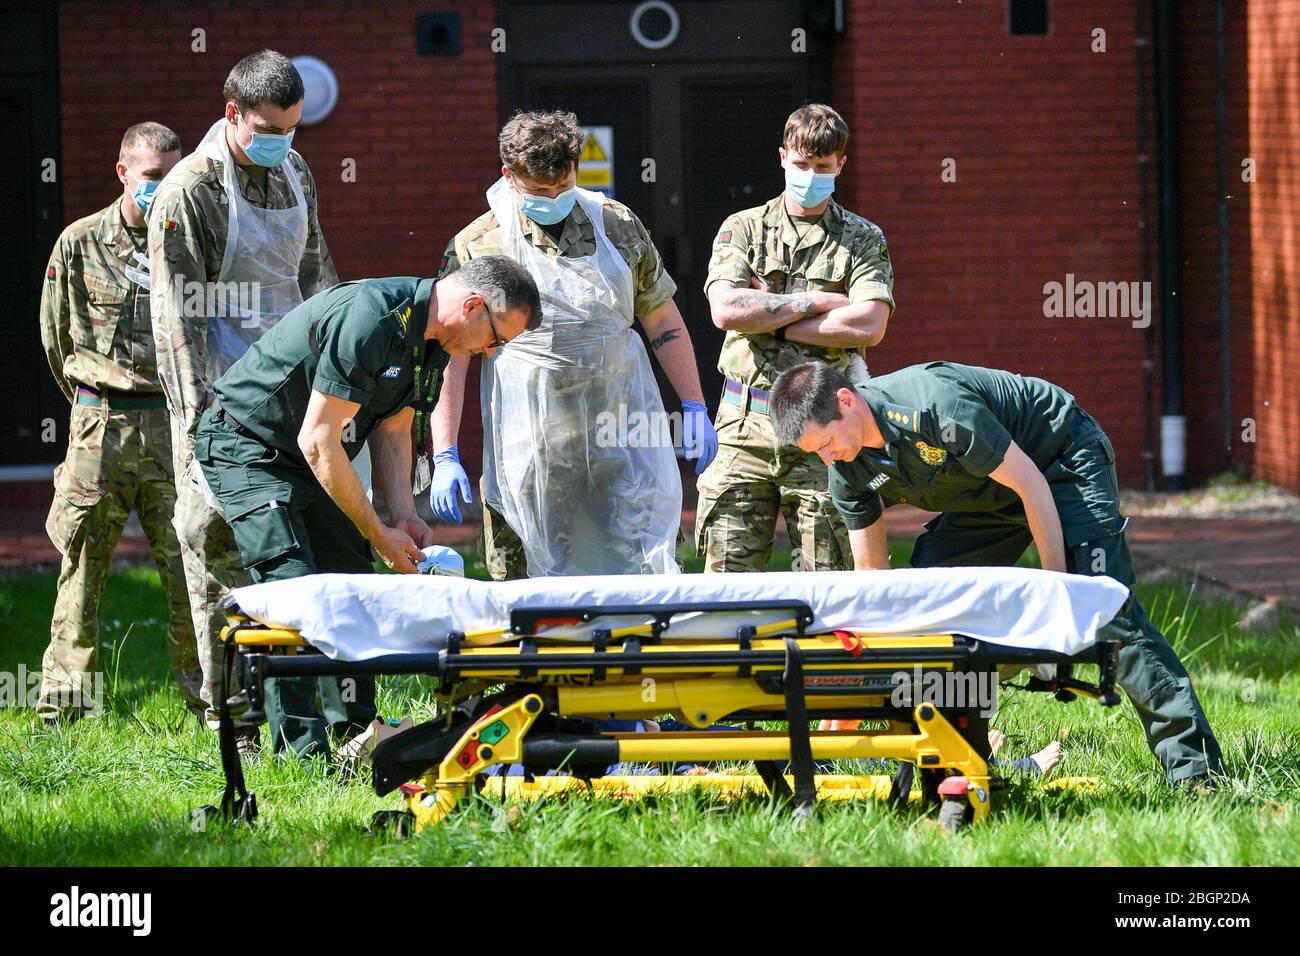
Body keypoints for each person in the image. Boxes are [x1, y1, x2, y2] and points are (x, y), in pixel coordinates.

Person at [768, 360, 1226, 789]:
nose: (829, 459)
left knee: (1102, 610)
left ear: (847, 402)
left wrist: (1060, 598)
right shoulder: (846, 470)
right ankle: (958, 765)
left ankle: (1196, 772)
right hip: (983, 494)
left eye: (827, 443)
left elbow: (1031, 484)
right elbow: (873, 577)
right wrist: (859, 682)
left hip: (1058, 462)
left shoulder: (934, 407)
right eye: (816, 453)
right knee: (928, 611)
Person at [195, 257, 540, 757]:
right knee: (292, 587)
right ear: (471, 307)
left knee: (349, 576)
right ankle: (301, 755)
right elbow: (319, 440)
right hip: (248, 445)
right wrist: (381, 534)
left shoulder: (436, 341)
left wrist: (401, 514)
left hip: (307, 452)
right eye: (496, 339)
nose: (491, 352)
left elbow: (394, 428)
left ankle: (354, 732)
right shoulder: (373, 318)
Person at [429, 109, 718, 579]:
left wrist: (694, 404)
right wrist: (444, 452)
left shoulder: (617, 226)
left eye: (563, 187)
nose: (554, 199)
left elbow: (662, 317)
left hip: (619, 435)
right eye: (540, 192)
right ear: (509, 175)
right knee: (524, 580)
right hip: (528, 442)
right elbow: (451, 357)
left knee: (631, 562)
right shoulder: (479, 245)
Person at [149, 50, 337, 746]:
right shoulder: (187, 192)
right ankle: (236, 726)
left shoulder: (295, 171)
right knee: (217, 558)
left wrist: (336, 389)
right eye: (266, 127)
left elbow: (318, 279)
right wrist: (202, 435)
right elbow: (176, 323)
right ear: (231, 113)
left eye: (292, 127)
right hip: (217, 400)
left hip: (289, 396)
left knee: (290, 551)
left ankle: (303, 714)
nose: (281, 140)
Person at [36, 122, 202, 723]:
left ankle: (209, 704)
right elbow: (57, 342)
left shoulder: (189, 241)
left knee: (191, 562)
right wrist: (92, 405)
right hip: (98, 428)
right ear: (124, 173)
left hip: (170, 426)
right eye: (153, 176)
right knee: (80, 567)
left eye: (172, 175)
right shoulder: (78, 244)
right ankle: (64, 707)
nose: (163, 186)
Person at [697, 104, 894, 573]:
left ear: (840, 165)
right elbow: (725, 310)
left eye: (823, 167)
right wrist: (820, 301)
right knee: (727, 583)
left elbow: (869, 324)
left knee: (829, 580)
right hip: (746, 425)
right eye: (801, 164)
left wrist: (770, 314)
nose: (810, 175)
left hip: (825, 428)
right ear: (783, 157)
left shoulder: (863, 238)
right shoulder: (743, 228)